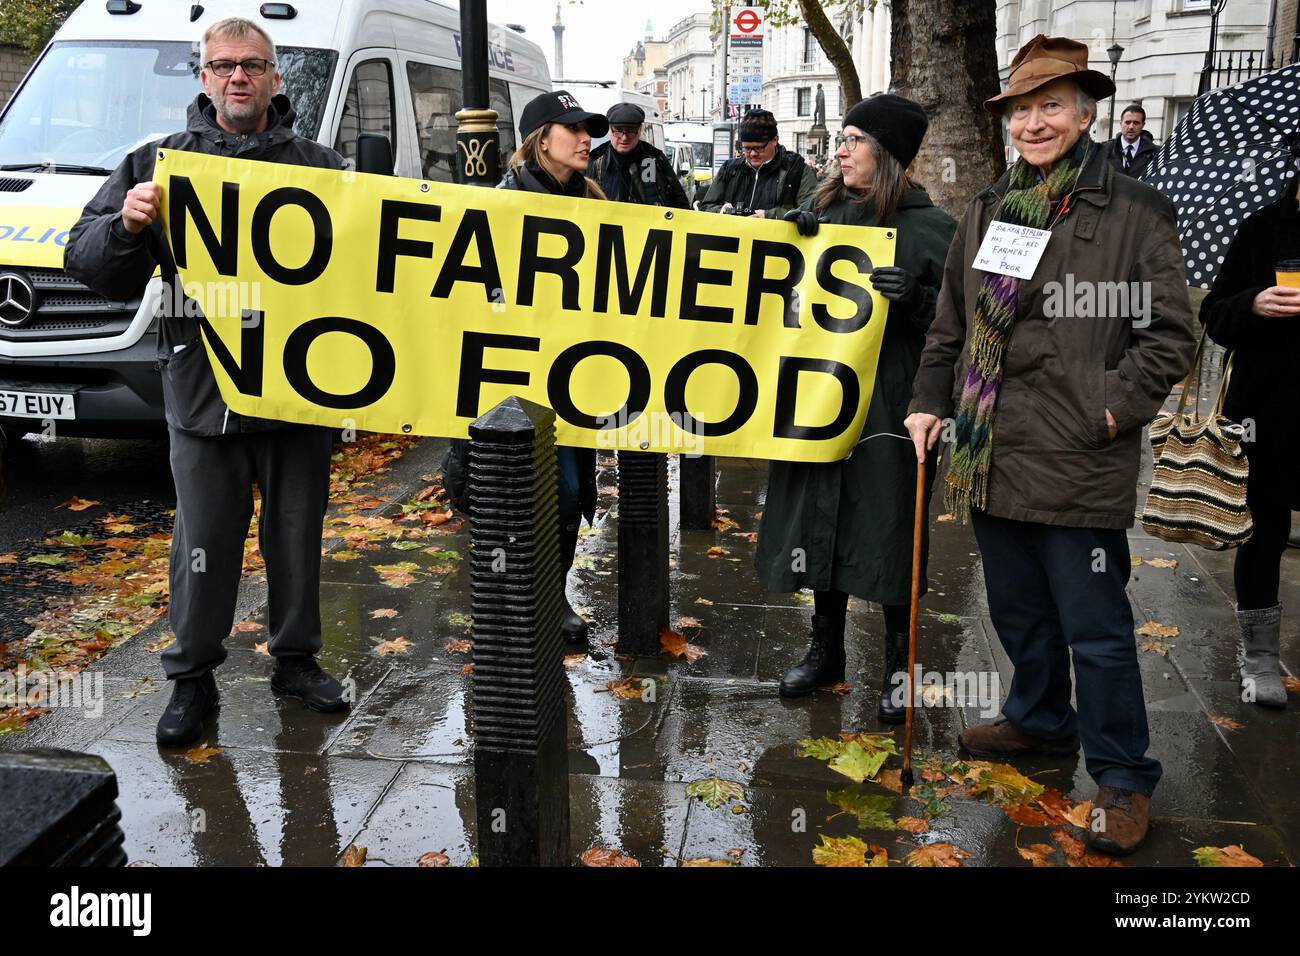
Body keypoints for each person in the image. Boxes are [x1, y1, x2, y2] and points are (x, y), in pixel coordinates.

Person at [903, 35, 1196, 856]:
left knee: (1094, 629)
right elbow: (950, 329)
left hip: (1078, 458)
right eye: (1022, 109)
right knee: (1018, 610)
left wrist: (1105, 412)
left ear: (1086, 111)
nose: (1035, 123)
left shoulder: (1133, 211)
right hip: (990, 453)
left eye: (1052, 106)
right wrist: (931, 403)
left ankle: (1123, 777)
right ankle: (1038, 720)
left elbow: (1170, 338)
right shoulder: (990, 208)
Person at [64, 17, 351, 747]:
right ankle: (192, 681)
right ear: (203, 77)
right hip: (204, 389)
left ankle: (297, 662)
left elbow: (367, 276)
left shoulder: (321, 166)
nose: (238, 78)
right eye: (222, 66)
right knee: (203, 545)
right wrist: (124, 228)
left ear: (274, 76)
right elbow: (88, 263)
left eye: (252, 65)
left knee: (296, 536)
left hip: (297, 387)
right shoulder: (158, 163)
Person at [755, 95, 956, 720]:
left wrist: (919, 300)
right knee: (821, 520)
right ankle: (826, 650)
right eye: (839, 139)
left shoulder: (933, 231)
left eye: (853, 140)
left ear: (888, 156)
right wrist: (788, 239)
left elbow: (963, 329)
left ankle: (900, 664)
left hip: (894, 406)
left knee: (892, 525)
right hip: (821, 396)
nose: (838, 151)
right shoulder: (823, 215)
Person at [499, 90, 609, 643]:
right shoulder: (502, 201)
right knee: (527, 490)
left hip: (573, 373)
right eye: (574, 129)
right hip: (513, 378)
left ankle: (552, 592)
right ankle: (531, 597)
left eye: (589, 129)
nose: (587, 137)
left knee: (570, 493)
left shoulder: (593, 202)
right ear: (542, 139)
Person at [1199, 177, 1300, 710]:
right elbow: (1213, 313)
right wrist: (1253, 304)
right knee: (1263, 528)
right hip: (1268, 412)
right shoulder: (1263, 227)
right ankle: (1260, 655)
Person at [697, 108, 816, 218]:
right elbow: (706, 206)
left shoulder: (797, 170)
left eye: (759, 148)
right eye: (747, 148)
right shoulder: (730, 168)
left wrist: (768, 216)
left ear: (775, 140)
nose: (753, 154)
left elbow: (810, 211)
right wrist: (721, 210)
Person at [587, 103, 690, 209]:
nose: (624, 138)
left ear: (640, 130)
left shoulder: (655, 159)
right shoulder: (596, 160)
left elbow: (679, 201)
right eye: (618, 131)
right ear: (609, 129)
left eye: (631, 131)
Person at [1105, 104, 1158, 178]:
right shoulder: (1105, 150)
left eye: (1136, 123)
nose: (1131, 127)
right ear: (1121, 124)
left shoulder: (1155, 153)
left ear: (1143, 125)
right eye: (1127, 122)